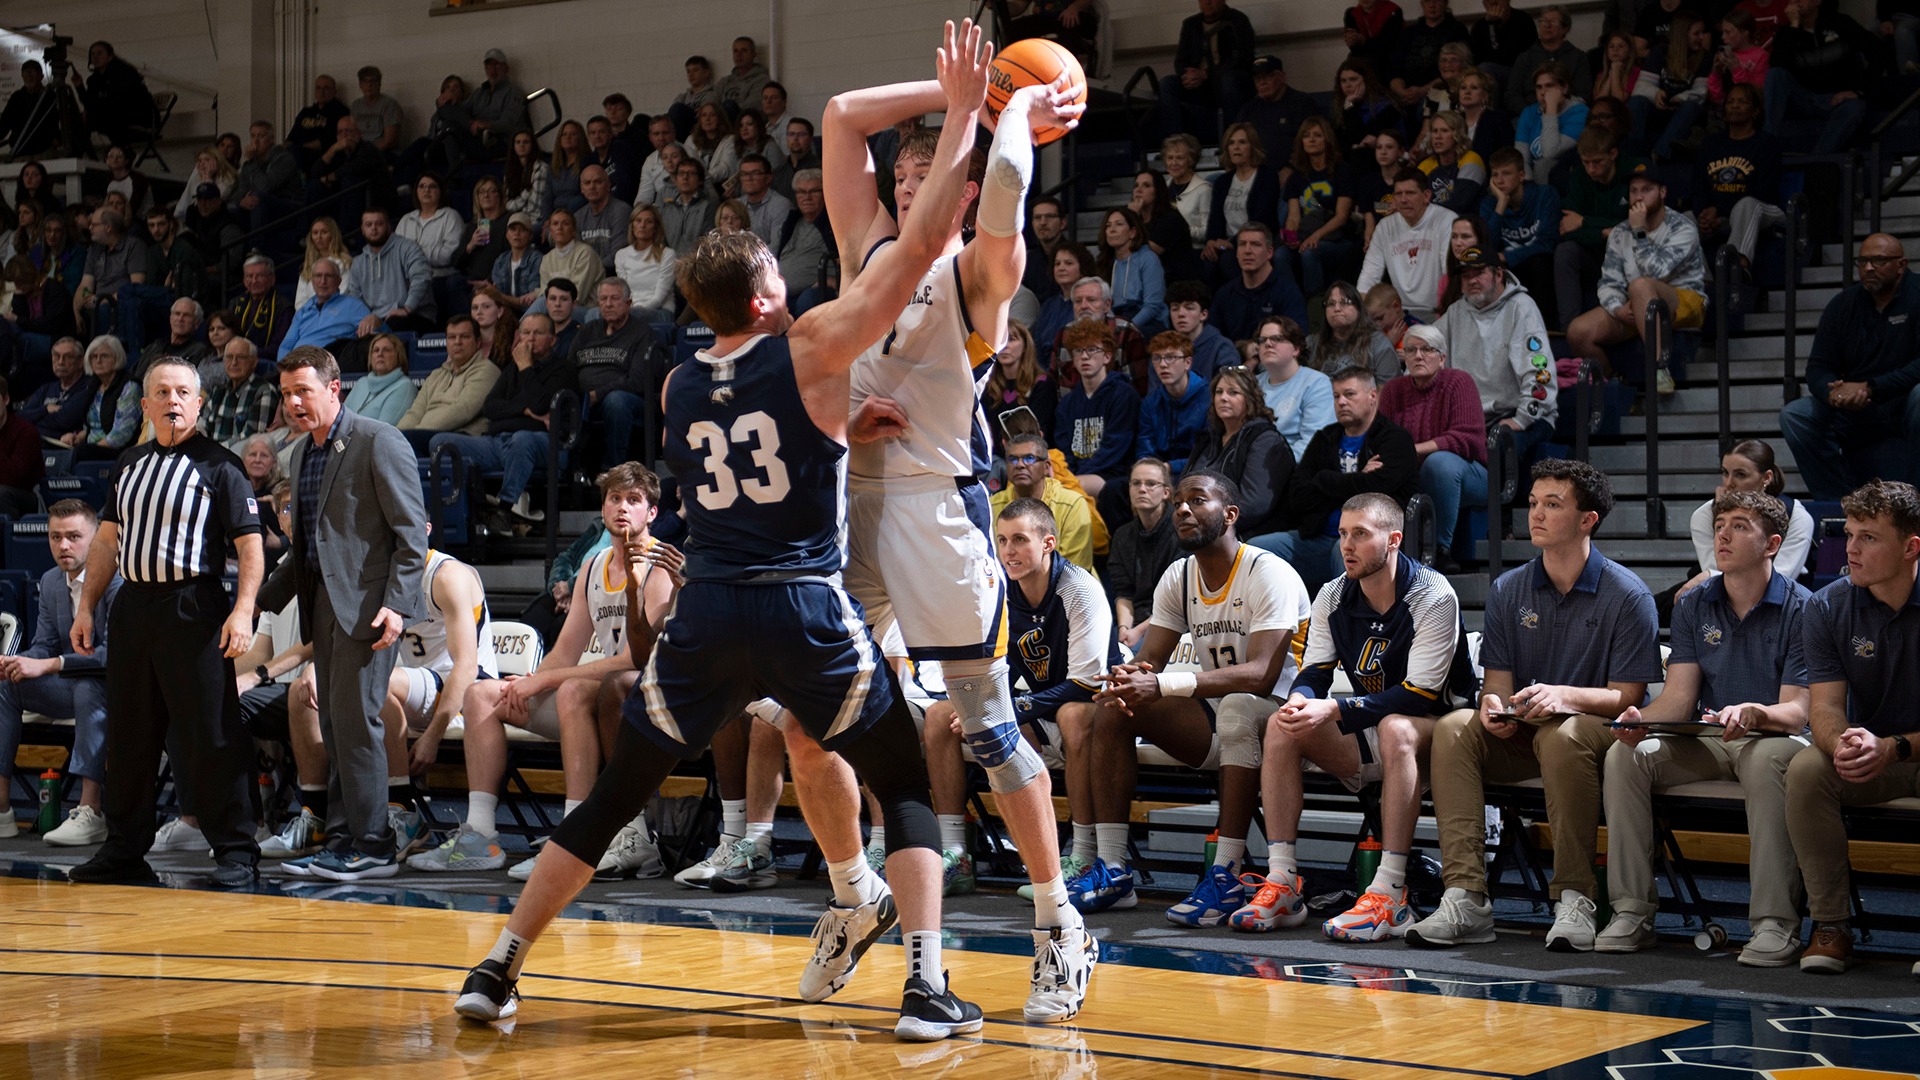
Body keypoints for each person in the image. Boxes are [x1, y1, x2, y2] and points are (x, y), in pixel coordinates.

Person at [453, 23, 1003, 1041]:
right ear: (764, 294)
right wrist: (965, 108)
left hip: (707, 607)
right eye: (778, 276)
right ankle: (927, 990)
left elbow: (775, 434)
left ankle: (496, 967)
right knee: (907, 785)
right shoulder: (815, 344)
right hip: (803, 605)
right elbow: (922, 246)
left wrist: (846, 427)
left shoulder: (670, 379)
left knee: (614, 795)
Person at [818, 60, 1101, 1025]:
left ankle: (1059, 921)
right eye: (903, 182)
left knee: (984, 729)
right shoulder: (868, 251)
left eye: (931, 179)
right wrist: (949, 94)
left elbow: (1011, 190)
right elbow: (840, 115)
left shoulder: (982, 270)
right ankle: (858, 894)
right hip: (846, 502)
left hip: (937, 511)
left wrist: (1011, 108)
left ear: (968, 188)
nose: (910, 192)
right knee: (803, 719)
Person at [1406, 459, 1660, 952]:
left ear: (1588, 520)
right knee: (1455, 725)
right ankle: (1466, 896)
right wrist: (1493, 710)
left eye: (1552, 504)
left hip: (1595, 737)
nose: (1536, 515)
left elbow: (1628, 698)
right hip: (1527, 732)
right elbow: (1495, 686)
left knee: (1562, 735)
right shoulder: (1509, 588)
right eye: (1532, 504)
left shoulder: (1628, 594)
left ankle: (1576, 897)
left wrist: (1563, 696)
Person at [413, 465, 675, 880]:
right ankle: (481, 833)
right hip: (601, 694)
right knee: (482, 694)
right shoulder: (593, 566)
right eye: (614, 499)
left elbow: (633, 660)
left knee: (571, 690)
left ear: (652, 514)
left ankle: (573, 837)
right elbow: (565, 650)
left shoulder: (658, 564)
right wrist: (530, 679)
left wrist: (547, 679)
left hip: (648, 697)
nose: (622, 508)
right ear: (602, 508)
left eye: (634, 501)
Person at [1076, 471, 1313, 926]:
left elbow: (1263, 675)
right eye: (1179, 502)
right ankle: (1113, 868)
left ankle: (1226, 871)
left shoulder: (1269, 571)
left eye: (1197, 501)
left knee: (1241, 708)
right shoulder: (1179, 576)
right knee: (1115, 703)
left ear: (1229, 515)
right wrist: (1130, 675)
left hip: (1285, 718)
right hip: (1220, 716)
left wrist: (1164, 685)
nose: (1182, 509)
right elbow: (1152, 661)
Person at [66, 358, 263, 888]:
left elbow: (250, 546)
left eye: (183, 393)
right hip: (132, 607)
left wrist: (242, 610)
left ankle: (237, 852)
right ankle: (126, 848)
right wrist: (87, 607)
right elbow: (106, 541)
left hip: (193, 606)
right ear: (146, 405)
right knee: (129, 735)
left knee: (210, 733)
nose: (173, 401)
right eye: (162, 392)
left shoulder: (223, 465)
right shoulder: (128, 462)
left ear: (199, 404)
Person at [1236, 492, 1471, 938]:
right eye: (1343, 534)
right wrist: (1300, 701)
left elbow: (1421, 694)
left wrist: (1336, 708)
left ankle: (1390, 892)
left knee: (1395, 726)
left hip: (1442, 734)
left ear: (1394, 539)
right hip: (1373, 727)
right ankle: (1283, 880)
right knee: (1282, 726)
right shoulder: (1332, 593)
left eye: (1360, 535)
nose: (1347, 545)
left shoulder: (1432, 593)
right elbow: (1315, 673)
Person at [1603, 490, 1811, 962]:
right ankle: (1632, 911)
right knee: (1626, 754)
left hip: (1779, 739)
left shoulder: (1804, 608)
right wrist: (1641, 720)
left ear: (1772, 543)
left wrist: (1756, 712)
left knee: (1761, 758)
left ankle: (1775, 923)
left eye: (1740, 525)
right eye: (1721, 523)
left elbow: (1797, 711)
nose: (1723, 533)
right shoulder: (1695, 603)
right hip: (1714, 738)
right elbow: (1678, 698)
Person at [256, 345, 427, 882]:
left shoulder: (380, 440)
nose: (293, 403)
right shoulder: (302, 454)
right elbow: (304, 550)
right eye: (285, 395)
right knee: (334, 724)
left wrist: (397, 607)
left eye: (302, 391)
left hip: (369, 610)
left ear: (335, 388)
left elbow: (410, 539)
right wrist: (251, 601)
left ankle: (374, 844)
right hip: (322, 608)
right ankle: (343, 839)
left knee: (356, 725)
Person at [919, 498, 1116, 894]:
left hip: (1096, 706)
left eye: (1021, 540)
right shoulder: (999, 591)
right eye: (1003, 540)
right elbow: (996, 670)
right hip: (1037, 707)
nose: (1009, 551)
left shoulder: (1079, 589)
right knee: (942, 716)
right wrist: (978, 710)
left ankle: (1082, 853)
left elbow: (1088, 683)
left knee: (1073, 716)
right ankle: (955, 853)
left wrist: (1007, 709)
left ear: (1048, 543)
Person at [1784, 479, 1920, 974]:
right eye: (1850, 534)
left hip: (1908, 750)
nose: (1851, 549)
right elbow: (1823, 706)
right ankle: (1830, 925)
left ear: (1911, 548)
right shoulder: (1826, 605)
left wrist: (1895, 746)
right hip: (1873, 754)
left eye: (1869, 537)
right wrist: (1844, 743)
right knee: (1806, 769)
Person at [0, 499, 120, 842]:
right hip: (70, 685)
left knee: (88, 686)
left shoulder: (118, 581)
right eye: (55, 537)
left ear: (97, 538)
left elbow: (114, 656)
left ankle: (91, 810)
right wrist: (17, 662)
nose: (63, 545)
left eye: (73, 536)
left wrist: (49, 664)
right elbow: (44, 645)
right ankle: (2, 810)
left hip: (118, 689)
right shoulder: (52, 581)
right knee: (7, 684)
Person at [1779, 233, 1920, 500]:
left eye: (1878, 261)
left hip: (1903, 404)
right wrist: (1831, 393)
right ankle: (1842, 503)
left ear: (1901, 265)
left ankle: (1912, 504)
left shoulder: (1917, 295)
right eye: (1863, 261)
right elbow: (1819, 366)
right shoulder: (1843, 304)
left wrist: (1871, 387)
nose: (1868, 268)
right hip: (1856, 408)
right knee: (1795, 415)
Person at [1268, 366, 1419, 592]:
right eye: (1336, 396)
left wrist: (1323, 480)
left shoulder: (1395, 440)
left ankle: (1353, 624)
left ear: (1372, 396)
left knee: (1348, 548)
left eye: (1349, 394)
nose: (1341, 402)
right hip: (1317, 537)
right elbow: (1298, 496)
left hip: (1371, 539)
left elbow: (1377, 495)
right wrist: (1354, 480)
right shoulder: (1325, 438)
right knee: (1258, 550)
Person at [1566, 169, 1706, 393]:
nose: (1639, 197)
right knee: (1577, 332)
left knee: (1641, 285)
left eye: (1647, 190)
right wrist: (1618, 309)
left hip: (1683, 299)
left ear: (1662, 192)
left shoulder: (1683, 228)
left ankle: (1659, 368)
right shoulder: (1620, 232)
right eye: (1633, 191)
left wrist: (1639, 231)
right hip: (1637, 302)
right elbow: (1609, 282)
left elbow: (1657, 272)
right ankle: (1612, 384)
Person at [1435, 243, 1557, 466]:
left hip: (1523, 416)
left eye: (1479, 273)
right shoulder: (1456, 312)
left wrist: (1521, 419)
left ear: (1498, 274)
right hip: (1473, 419)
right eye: (1466, 275)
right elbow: (1427, 348)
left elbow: (1540, 371)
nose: (1472, 280)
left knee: (1497, 447)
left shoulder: (1521, 307)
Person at [1380, 324, 1485, 571]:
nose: (1418, 356)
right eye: (1411, 350)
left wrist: (1415, 450)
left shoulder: (1458, 381)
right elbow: (1381, 439)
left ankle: (1439, 549)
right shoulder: (1394, 390)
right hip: (1413, 471)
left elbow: (1467, 439)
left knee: (1439, 463)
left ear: (1442, 357)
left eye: (1427, 349)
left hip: (1471, 473)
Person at [1674, 440, 1817, 600]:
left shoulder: (1796, 516)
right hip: (1722, 594)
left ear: (1767, 477)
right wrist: (1719, 514)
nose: (1729, 483)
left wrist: (1709, 575)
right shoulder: (1704, 514)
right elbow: (1718, 574)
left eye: (1740, 475)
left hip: (1779, 599)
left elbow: (1782, 575)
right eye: (1725, 473)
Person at [1186, 363, 1294, 541]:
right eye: (1219, 392)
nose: (1223, 398)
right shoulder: (1208, 438)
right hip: (1202, 525)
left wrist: (1205, 522)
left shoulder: (1265, 439)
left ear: (1250, 399)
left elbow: (1254, 505)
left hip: (1246, 532)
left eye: (1233, 392)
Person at [1694, 84, 1783, 278]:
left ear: (1755, 111)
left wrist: (1719, 209)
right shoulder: (1711, 144)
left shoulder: (1766, 143)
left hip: (1764, 210)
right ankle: (1703, 281)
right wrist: (1704, 214)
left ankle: (1736, 268)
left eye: (1742, 102)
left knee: (1747, 205)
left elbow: (1763, 190)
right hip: (1721, 216)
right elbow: (1699, 185)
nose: (1735, 106)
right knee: (1683, 220)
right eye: (1731, 102)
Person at [1553, 127, 1637, 331]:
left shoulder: (1632, 172)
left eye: (1597, 161)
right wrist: (1604, 231)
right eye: (1586, 162)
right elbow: (1568, 229)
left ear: (1613, 154)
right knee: (1565, 251)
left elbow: (1635, 227)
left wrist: (1584, 222)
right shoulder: (1579, 177)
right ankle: (1569, 329)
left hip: (1628, 253)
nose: (1591, 168)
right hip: (1593, 252)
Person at [571, 278, 658, 470]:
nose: (608, 304)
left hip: (628, 400)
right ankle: (569, 471)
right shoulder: (588, 330)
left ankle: (613, 470)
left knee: (616, 401)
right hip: (584, 399)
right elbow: (569, 369)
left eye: (615, 298)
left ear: (628, 303)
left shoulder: (642, 332)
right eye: (603, 299)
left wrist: (597, 394)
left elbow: (637, 380)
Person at [1766, 0, 1873, 156]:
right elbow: (1778, 64)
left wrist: (1859, 91)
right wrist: (1794, 27)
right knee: (1776, 74)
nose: (1795, 2)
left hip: (1837, 98)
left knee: (1855, 107)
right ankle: (1765, 146)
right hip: (1803, 97)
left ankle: (1817, 159)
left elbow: (1878, 53)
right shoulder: (1786, 33)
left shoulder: (1841, 23)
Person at [1054, 318, 1141, 501]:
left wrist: (1076, 476)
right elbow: (1064, 449)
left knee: (1066, 489)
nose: (1085, 356)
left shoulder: (1123, 394)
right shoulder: (1067, 403)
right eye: (1078, 351)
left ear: (1107, 357)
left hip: (1112, 473)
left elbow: (1115, 447)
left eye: (1092, 349)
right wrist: (1071, 473)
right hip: (1076, 474)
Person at [991, 431, 1101, 574]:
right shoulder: (992, 506)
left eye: (1029, 458)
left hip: (1069, 591)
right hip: (1009, 591)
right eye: (1012, 459)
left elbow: (1075, 572)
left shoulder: (1071, 504)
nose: (1020, 465)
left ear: (1046, 466)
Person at [1357, 169, 1457, 322]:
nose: (1403, 199)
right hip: (1401, 314)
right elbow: (1368, 277)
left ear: (1426, 196)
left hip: (1441, 311)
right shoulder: (1385, 226)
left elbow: (1450, 273)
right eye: (1398, 194)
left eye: (1410, 193)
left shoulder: (1446, 220)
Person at [1109, 458, 1183, 651]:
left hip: (1174, 621)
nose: (1142, 489)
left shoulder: (1181, 531)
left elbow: (1178, 600)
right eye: (1136, 483)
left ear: (1166, 492)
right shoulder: (1122, 535)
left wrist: (1138, 631)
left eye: (1150, 484)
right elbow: (1123, 592)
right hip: (1135, 621)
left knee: (1126, 659)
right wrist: (1125, 629)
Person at [398, 314, 500, 451]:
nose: (457, 342)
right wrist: (396, 435)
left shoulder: (487, 370)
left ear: (478, 342)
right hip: (424, 433)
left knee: (406, 444)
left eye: (464, 336)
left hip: (462, 436)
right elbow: (416, 412)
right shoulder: (436, 374)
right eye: (452, 337)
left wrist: (416, 431)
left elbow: (463, 410)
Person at [1159, 0, 1259, 141]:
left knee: (1229, 80)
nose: (1207, 2)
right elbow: (1180, 60)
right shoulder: (1190, 24)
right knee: (1167, 84)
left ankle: (1232, 138)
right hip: (1200, 86)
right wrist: (1187, 75)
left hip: (1228, 81)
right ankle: (1175, 141)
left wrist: (1206, 74)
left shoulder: (1237, 20)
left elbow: (1243, 58)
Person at [1203, 125, 1283, 281]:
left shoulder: (1267, 177)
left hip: (1255, 240)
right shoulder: (1222, 182)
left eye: (1242, 142)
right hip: (1226, 243)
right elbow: (1215, 218)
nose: (1236, 148)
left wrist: (1233, 242)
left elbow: (1261, 218)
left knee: (1227, 260)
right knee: (1208, 260)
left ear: (1252, 147)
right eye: (1231, 143)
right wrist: (1211, 241)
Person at [1210, 222, 1310, 341]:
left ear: (1269, 253)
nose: (1247, 251)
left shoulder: (1287, 292)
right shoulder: (1225, 294)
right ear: (1236, 253)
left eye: (1255, 244)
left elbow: (1297, 339)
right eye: (1242, 244)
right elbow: (1212, 340)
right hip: (1232, 358)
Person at [346, 207, 435, 334]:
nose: (374, 228)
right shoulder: (358, 262)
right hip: (376, 319)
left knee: (392, 324)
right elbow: (354, 295)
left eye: (379, 224)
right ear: (362, 230)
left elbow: (421, 278)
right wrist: (367, 318)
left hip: (413, 315)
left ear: (388, 226)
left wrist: (407, 308)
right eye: (368, 224)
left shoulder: (407, 248)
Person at [1136, 331, 1210, 473]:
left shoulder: (1209, 399)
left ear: (1187, 363)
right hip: (1159, 473)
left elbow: (1208, 455)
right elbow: (1145, 449)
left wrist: (1169, 467)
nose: (1163, 364)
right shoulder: (1150, 403)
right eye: (1157, 358)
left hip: (1197, 472)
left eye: (1171, 357)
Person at [982, 321, 1055, 461]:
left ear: (1025, 346)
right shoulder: (988, 386)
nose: (1004, 346)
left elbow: (1040, 433)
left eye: (1011, 339)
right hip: (995, 460)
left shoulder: (1042, 384)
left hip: (1030, 460)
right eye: (1000, 340)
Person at [1239, 56, 1324, 175]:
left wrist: (1290, 168)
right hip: (1256, 175)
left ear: (1281, 77)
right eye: (1258, 78)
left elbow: (1313, 142)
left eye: (1267, 77)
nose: (1262, 82)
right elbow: (1237, 142)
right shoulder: (1248, 110)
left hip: (1296, 173)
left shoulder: (1302, 104)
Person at [67, 335, 140, 462]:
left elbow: (121, 435)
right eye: (94, 357)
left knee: (77, 454)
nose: (98, 360)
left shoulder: (130, 387)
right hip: (93, 448)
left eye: (104, 356)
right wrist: (77, 438)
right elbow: (92, 426)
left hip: (118, 451)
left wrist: (90, 447)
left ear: (117, 358)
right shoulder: (93, 385)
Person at [1514, 61, 1589, 187]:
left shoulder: (1580, 113)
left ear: (1564, 88)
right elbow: (1522, 156)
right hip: (1533, 180)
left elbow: (1550, 152)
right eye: (1539, 87)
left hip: (1563, 176)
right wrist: (1528, 188)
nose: (1543, 92)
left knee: (1544, 164)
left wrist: (1551, 109)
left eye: (1549, 86)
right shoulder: (1529, 112)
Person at [1506, 6, 1593, 113]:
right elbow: (1512, 94)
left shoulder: (1578, 57)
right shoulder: (1525, 57)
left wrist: (1561, 111)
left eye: (1553, 21)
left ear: (1565, 28)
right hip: (1531, 114)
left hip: (1567, 114)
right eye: (1543, 21)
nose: (1547, 25)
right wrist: (1531, 113)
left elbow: (1584, 94)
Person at [1306, 280, 1398, 381]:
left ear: (1358, 309)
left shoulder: (1379, 344)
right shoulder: (1312, 343)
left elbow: (1387, 392)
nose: (1337, 308)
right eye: (1331, 303)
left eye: (1344, 302)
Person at [71, 41, 154, 152]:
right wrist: (79, 87)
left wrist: (92, 111)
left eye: (99, 53)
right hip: (113, 116)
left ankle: (119, 152)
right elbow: (90, 103)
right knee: (79, 120)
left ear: (110, 56)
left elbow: (119, 102)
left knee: (106, 119)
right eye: (93, 54)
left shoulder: (124, 73)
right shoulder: (94, 80)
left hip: (136, 115)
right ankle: (80, 154)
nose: (95, 57)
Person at [279, 258, 370, 359]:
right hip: (297, 365)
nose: (323, 281)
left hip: (328, 365)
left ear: (338, 281)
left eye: (329, 276)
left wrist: (376, 321)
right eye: (318, 276)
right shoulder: (303, 311)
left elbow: (380, 335)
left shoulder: (353, 305)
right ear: (312, 281)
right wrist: (285, 367)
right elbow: (286, 346)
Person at [1388, 0, 1472, 108]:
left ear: (1445, 3)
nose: (1432, 5)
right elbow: (1394, 68)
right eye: (1427, 1)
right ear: (1422, 3)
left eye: (1437, 1)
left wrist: (1422, 91)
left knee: (1425, 105)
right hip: (1406, 92)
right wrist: (1402, 92)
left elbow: (1457, 69)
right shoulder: (1409, 33)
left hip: (1439, 89)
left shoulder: (1456, 30)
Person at [1099, 208, 1167, 336]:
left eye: (1119, 224)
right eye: (1108, 226)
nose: (1112, 230)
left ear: (1132, 232)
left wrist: (1127, 327)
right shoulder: (1106, 262)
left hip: (1148, 322)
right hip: (1117, 320)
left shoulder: (1148, 258)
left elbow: (1153, 306)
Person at [202, 337, 280, 445]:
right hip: (210, 454)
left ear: (254, 362)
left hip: (238, 457)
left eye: (241, 357)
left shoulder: (264, 391)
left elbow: (252, 438)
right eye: (229, 357)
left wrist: (216, 452)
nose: (234, 362)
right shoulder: (217, 391)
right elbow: (202, 427)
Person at [19, 336, 93, 442]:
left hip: (66, 446)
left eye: (68, 357)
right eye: (56, 356)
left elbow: (64, 420)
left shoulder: (87, 386)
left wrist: (34, 419)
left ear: (80, 362)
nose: (61, 361)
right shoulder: (46, 388)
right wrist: (46, 409)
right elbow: (20, 417)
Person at [615, 206, 679, 326]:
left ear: (655, 227)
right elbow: (624, 292)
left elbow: (659, 298)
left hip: (660, 312)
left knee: (636, 314)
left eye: (648, 221)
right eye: (638, 221)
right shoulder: (621, 255)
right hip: (629, 310)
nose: (642, 225)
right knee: (594, 313)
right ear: (632, 225)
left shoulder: (668, 254)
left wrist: (629, 311)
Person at [342, 333, 417, 426]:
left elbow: (383, 430)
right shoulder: (362, 382)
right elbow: (341, 418)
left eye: (386, 350)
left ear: (398, 356)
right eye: (376, 350)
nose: (380, 354)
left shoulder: (405, 386)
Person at [468, 49, 528, 160]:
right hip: (477, 137)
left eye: (497, 65)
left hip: (501, 140)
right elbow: (463, 110)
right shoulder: (479, 92)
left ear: (506, 68)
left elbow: (509, 123)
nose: (493, 69)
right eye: (489, 65)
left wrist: (487, 125)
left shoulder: (513, 92)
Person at [0, 60, 62, 158]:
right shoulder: (16, 98)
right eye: (26, 73)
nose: (29, 76)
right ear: (22, 76)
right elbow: (4, 125)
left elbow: (64, 122)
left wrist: (57, 138)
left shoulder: (51, 96)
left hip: (45, 152)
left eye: (33, 72)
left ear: (41, 76)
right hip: (20, 154)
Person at [660, 158, 720, 258]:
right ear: (676, 179)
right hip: (669, 264)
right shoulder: (668, 208)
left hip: (696, 264)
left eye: (691, 173)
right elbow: (662, 241)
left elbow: (708, 242)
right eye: (681, 173)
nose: (685, 177)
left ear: (700, 181)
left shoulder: (708, 206)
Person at [288, 74, 350, 165]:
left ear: (334, 92)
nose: (321, 92)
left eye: (326, 88)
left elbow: (326, 141)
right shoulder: (306, 112)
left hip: (321, 155)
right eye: (318, 88)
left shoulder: (340, 111)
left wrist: (299, 148)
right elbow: (292, 137)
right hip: (297, 151)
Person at [296, 218, 355, 310]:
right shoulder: (308, 266)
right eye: (315, 233)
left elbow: (344, 292)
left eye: (324, 232)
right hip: (310, 316)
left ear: (333, 235)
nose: (319, 237)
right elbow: (300, 302)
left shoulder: (344, 263)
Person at [351, 66, 403, 155]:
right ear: (360, 85)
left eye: (373, 81)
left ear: (379, 83)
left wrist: (368, 154)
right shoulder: (356, 105)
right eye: (365, 81)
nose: (369, 85)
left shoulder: (389, 104)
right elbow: (352, 133)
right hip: (360, 151)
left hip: (384, 152)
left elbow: (389, 141)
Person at [716, 36, 772, 117]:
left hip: (745, 123)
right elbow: (712, 101)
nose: (739, 55)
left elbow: (749, 108)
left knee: (729, 106)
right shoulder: (725, 81)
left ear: (753, 54)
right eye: (735, 51)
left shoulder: (761, 81)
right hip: (721, 124)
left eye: (744, 50)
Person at [504, 130, 551, 222]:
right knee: (485, 227)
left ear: (532, 145)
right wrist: (525, 195)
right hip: (511, 217)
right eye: (518, 142)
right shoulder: (510, 170)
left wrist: (515, 212)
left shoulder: (540, 169)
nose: (521, 145)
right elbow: (506, 204)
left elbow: (535, 207)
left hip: (531, 219)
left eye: (526, 142)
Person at [774, 117, 822, 199]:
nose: (795, 139)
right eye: (791, 134)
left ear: (810, 139)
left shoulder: (820, 169)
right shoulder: (778, 173)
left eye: (801, 134)